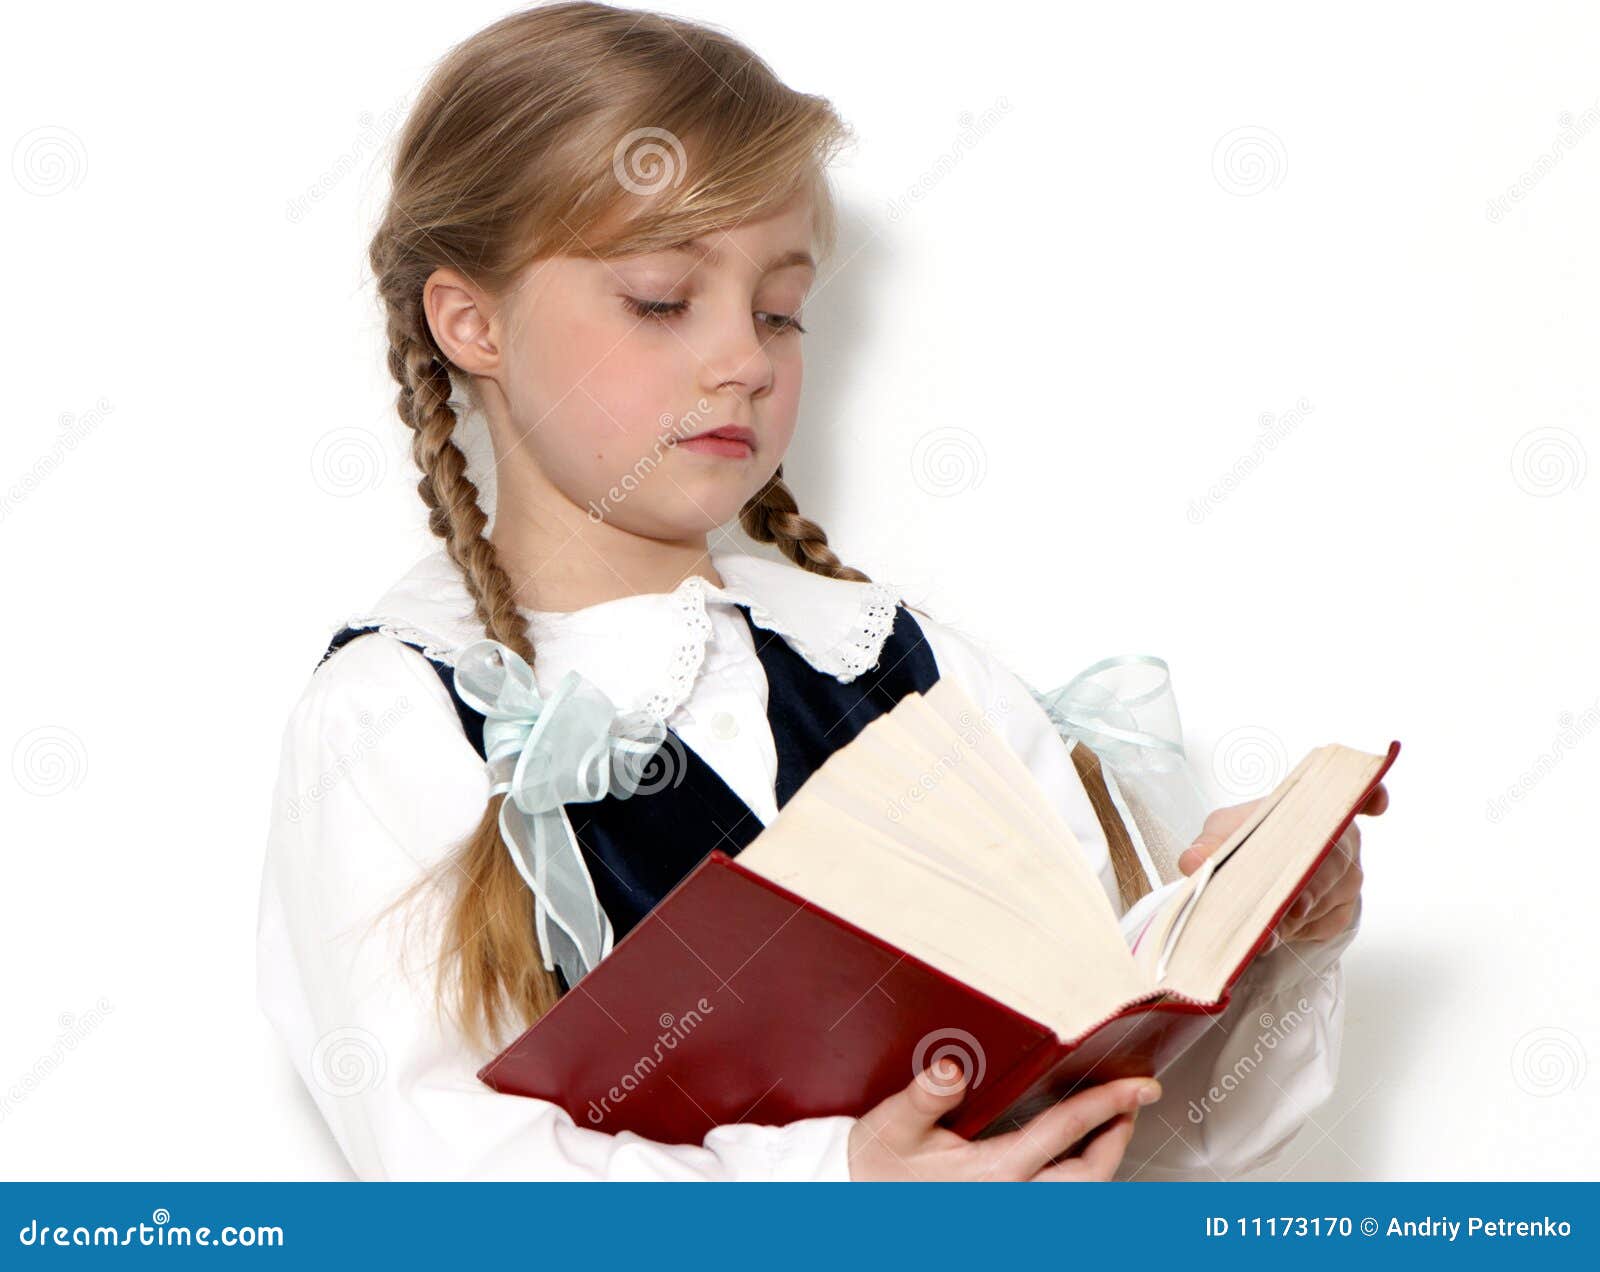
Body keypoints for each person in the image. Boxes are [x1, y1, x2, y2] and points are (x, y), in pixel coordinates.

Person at [256, 0, 1384, 1182]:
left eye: (779, 311)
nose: (744, 357)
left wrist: (1263, 955)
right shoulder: (398, 714)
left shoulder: (895, 662)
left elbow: (1148, 1136)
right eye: (659, 299)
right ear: (470, 321)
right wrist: (837, 1186)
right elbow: (446, 1176)